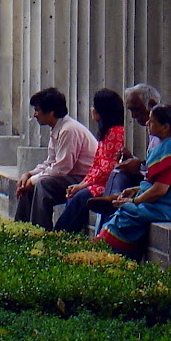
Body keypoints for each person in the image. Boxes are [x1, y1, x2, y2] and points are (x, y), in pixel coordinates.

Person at [97, 103, 171, 257]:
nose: (147, 123)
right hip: (160, 202)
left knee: (127, 212)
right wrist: (136, 190)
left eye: (152, 121)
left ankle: (108, 254)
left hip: (167, 207)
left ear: (165, 127)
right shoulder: (168, 145)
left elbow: (159, 190)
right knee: (123, 210)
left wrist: (134, 201)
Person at [13, 86, 98, 229]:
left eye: (37, 110)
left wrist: (33, 180)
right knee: (28, 185)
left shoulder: (68, 130)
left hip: (84, 179)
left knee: (43, 184)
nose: (35, 115)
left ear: (51, 112)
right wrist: (28, 175)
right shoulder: (57, 129)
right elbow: (50, 162)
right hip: (71, 176)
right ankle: (21, 228)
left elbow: (61, 168)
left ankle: (40, 230)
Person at [51, 87, 126, 233]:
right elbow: (96, 165)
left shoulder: (116, 133)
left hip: (106, 185)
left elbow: (106, 169)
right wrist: (80, 185)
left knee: (81, 197)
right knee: (74, 194)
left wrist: (82, 186)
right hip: (97, 183)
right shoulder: (106, 133)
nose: (92, 109)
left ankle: (60, 234)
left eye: (94, 106)